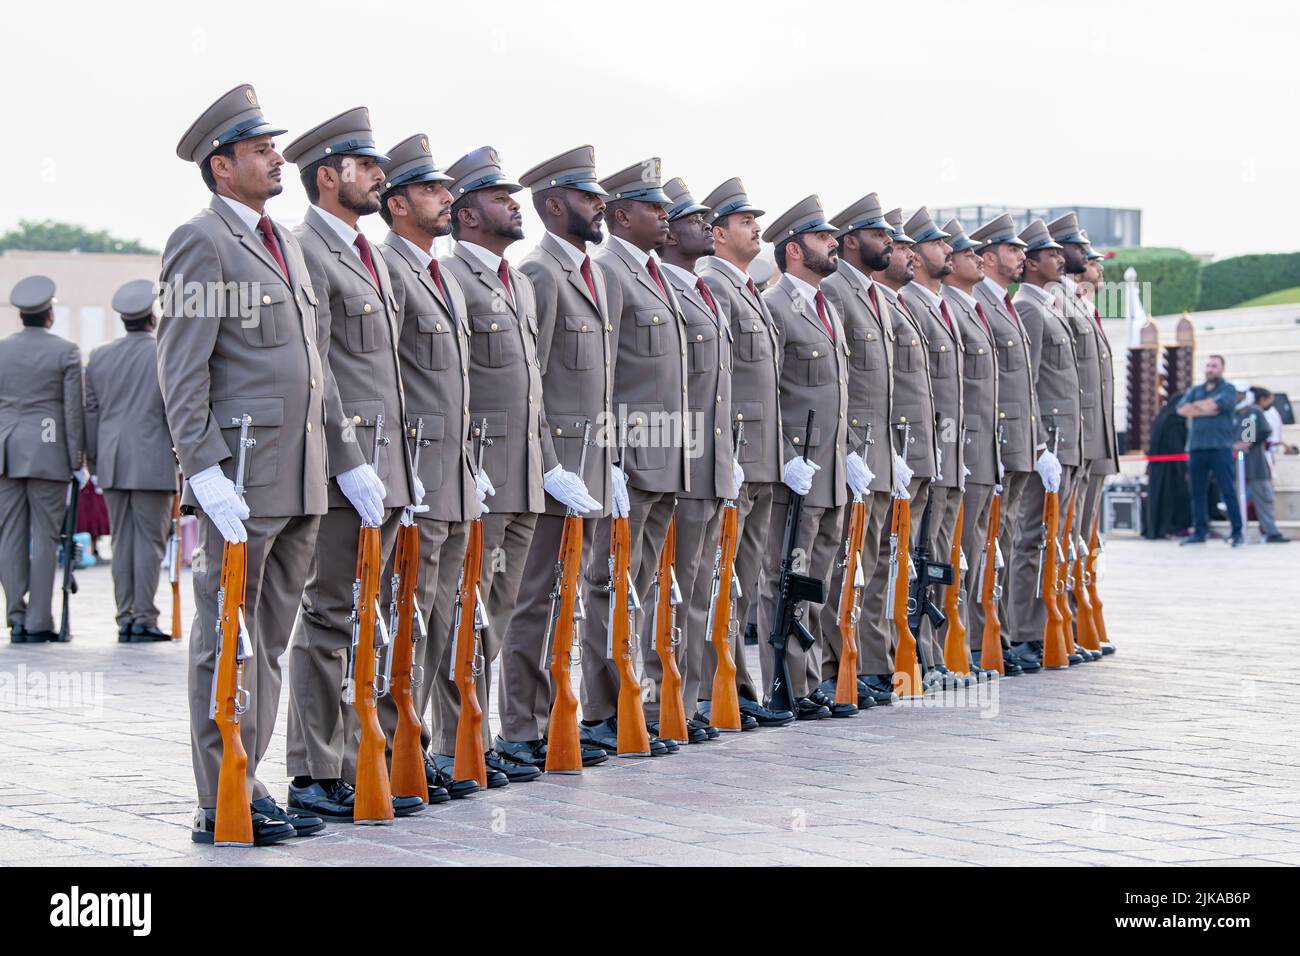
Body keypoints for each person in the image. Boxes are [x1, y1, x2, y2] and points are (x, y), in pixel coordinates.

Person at [164, 84, 328, 845]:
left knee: (268, 639)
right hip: (243, 474)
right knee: (227, 635)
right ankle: (217, 793)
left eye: (273, 148)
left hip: (299, 473)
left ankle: (251, 777)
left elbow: (312, 368)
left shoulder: (283, 240)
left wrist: (342, 459)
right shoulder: (203, 241)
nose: (275, 160)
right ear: (220, 166)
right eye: (261, 151)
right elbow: (183, 365)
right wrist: (202, 469)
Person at [281, 107, 424, 822]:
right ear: (327, 175)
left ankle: (353, 757)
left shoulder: (369, 253)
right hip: (346, 470)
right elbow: (320, 368)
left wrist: (406, 460)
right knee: (330, 612)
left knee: (369, 615)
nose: (378, 176)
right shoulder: (308, 249)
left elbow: (388, 373)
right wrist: (347, 459)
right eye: (365, 166)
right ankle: (314, 770)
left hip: (386, 465)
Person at [438, 146, 551, 785]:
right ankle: (458, 742)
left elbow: (531, 384)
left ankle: (478, 737)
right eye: (497, 195)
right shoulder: (455, 277)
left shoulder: (515, 282)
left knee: (497, 615)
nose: (513, 203)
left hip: (524, 472)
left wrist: (549, 462)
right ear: (466, 214)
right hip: (478, 472)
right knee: (465, 612)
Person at [494, 146, 609, 772]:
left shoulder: (586, 272)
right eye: (590, 198)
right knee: (531, 597)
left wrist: (607, 461)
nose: (601, 207)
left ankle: (546, 716)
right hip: (550, 468)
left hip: (585, 466)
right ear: (555, 204)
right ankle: (519, 725)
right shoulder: (540, 273)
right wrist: (546, 462)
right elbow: (529, 380)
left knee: (562, 594)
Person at [373, 131, 472, 803]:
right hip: (411, 472)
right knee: (395, 617)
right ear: (400, 202)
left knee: (438, 618)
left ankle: (418, 744)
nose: (448, 199)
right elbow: (385, 378)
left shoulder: (443, 274)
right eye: (435, 189)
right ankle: (381, 750)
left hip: (454, 475)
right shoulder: (388, 268)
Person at [582, 157, 692, 755]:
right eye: (653, 208)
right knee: (608, 583)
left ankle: (635, 700)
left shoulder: (653, 274)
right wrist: (613, 458)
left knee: (644, 585)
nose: (665, 216)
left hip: (665, 458)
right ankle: (603, 709)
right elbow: (602, 376)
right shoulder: (610, 273)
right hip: (626, 460)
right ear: (622, 215)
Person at [696, 178, 794, 728]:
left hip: (759, 457)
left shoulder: (746, 287)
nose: (755, 227)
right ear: (718, 234)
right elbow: (718, 380)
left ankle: (735, 684)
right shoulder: (714, 283)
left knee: (740, 576)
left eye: (755, 219)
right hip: (732, 454)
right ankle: (718, 689)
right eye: (743, 220)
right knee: (721, 578)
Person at [758, 195, 859, 720]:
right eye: (822, 238)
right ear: (795, 250)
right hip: (796, 471)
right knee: (785, 575)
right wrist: (783, 457)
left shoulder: (827, 308)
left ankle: (811, 677)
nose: (833, 244)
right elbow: (766, 393)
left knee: (816, 578)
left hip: (830, 470)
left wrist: (850, 455)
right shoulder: (776, 306)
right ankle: (783, 681)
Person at [655, 177, 741, 742]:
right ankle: (654, 702)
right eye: (692, 219)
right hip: (676, 461)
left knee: (699, 587)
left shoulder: (701, 290)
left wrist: (726, 455)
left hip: (710, 463)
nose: (704, 228)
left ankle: (683, 705)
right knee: (671, 587)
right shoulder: (667, 285)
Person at [818, 192, 898, 706]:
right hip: (852, 452)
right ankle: (834, 668)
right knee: (844, 564)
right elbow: (834, 384)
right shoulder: (836, 293)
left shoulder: (875, 295)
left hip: (882, 452)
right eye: (878, 234)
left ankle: (868, 664)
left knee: (874, 564)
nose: (888, 241)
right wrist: (846, 448)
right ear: (851, 242)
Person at [84, 279, 178, 642]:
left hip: (111, 460)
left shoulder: (100, 357)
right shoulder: (163, 352)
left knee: (121, 541)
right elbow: (176, 410)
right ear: (152, 318)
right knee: (150, 542)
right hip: (152, 461)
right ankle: (144, 617)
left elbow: (90, 413)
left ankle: (125, 616)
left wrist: (94, 460)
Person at [899, 208, 968, 687]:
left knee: (938, 558)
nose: (947, 250)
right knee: (917, 556)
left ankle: (934, 655)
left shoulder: (936, 306)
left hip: (946, 451)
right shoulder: (911, 304)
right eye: (936, 243)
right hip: (915, 451)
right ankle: (920, 657)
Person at [1007, 219, 1079, 668]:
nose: (1060, 258)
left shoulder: (1048, 306)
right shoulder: (1030, 309)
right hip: (1046, 441)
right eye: (1049, 253)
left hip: (1065, 440)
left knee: (1052, 537)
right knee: (1029, 536)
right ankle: (1024, 631)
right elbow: (1026, 383)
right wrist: (1038, 444)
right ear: (1031, 263)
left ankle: (1048, 625)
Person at [0, 275, 86, 644]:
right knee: (46, 537)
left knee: (9, 536)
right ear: (49, 314)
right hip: (47, 450)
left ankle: (15, 616)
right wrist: (77, 459)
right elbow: (72, 412)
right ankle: (38, 620)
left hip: (5, 451)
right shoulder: (65, 350)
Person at [1177, 354, 1244, 546]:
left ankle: (1237, 532)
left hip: (1220, 448)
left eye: (1214, 366)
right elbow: (1181, 410)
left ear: (1221, 369)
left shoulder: (1228, 389)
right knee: (1197, 493)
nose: (1210, 369)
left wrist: (1195, 409)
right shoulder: (1195, 390)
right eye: (1208, 365)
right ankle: (1199, 532)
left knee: (1228, 491)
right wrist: (1205, 408)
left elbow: (1218, 404)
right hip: (1196, 448)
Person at [1237, 386, 1287, 543]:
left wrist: (1248, 441)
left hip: (1256, 463)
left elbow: (1254, 436)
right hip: (1242, 464)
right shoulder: (1241, 413)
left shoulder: (1251, 413)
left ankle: (1269, 531)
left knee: (1263, 497)